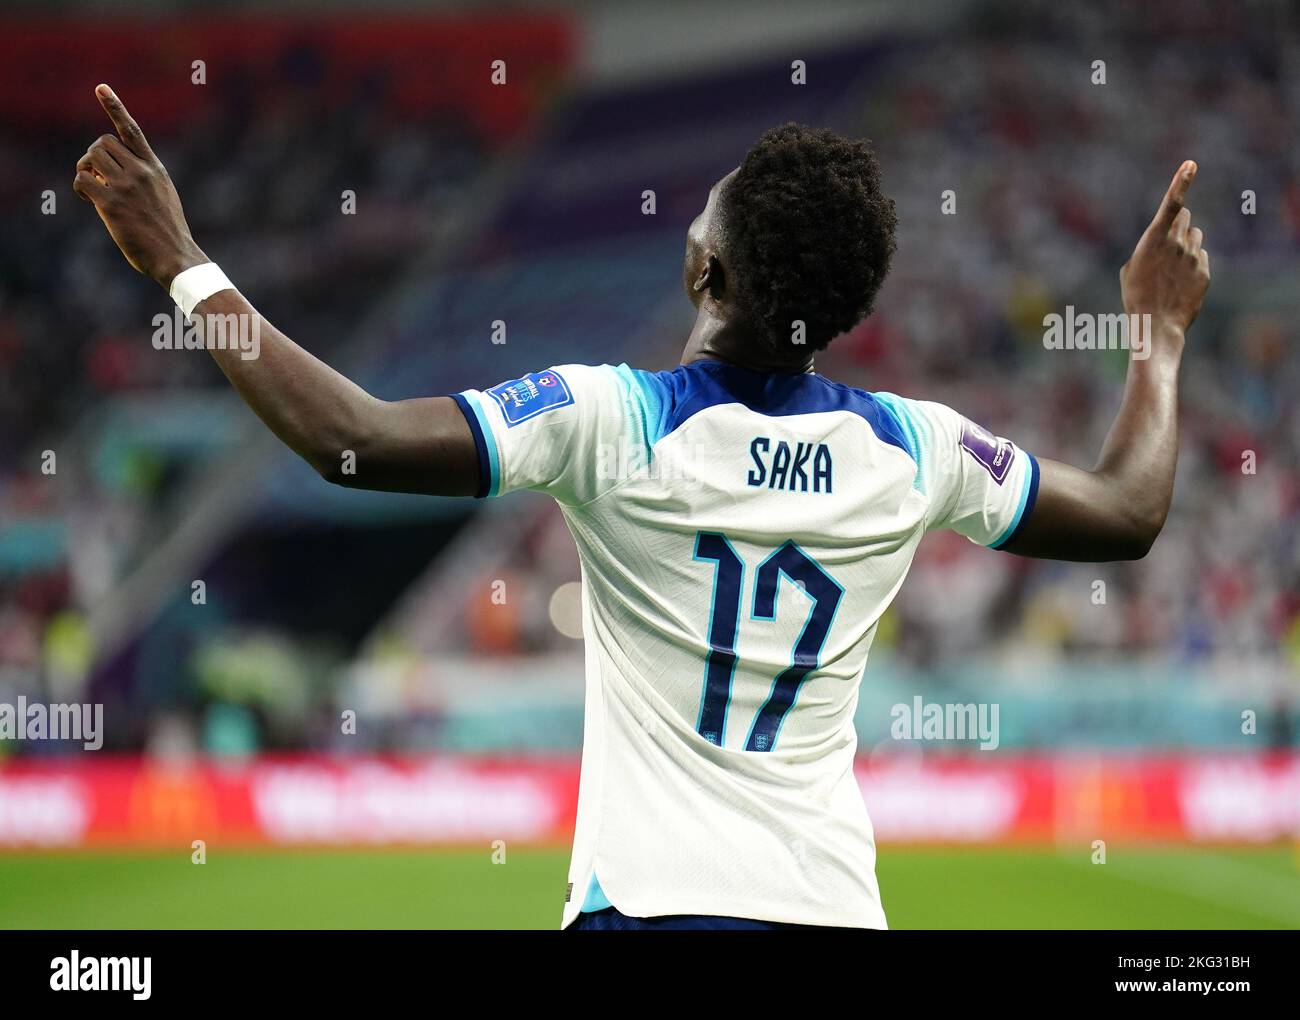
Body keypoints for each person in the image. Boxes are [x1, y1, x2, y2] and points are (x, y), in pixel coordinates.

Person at [74, 87, 1210, 929]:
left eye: (700, 224)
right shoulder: (914, 448)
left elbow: (351, 440)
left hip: (647, 906)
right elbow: (1124, 510)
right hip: (830, 907)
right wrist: (1153, 336)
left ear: (704, 275)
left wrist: (182, 262)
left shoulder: (609, 419)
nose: (687, 230)